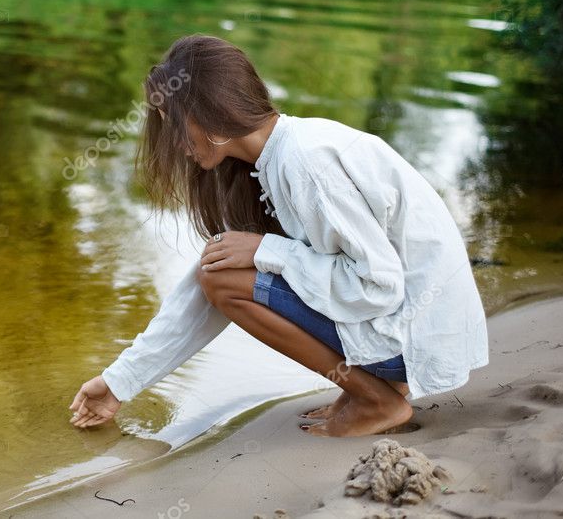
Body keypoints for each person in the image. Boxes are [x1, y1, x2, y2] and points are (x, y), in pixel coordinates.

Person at [68, 34, 489, 437]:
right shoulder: (265, 164)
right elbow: (204, 285)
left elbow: (377, 285)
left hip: (415, 339)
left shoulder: (306, 163)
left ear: (211, 113)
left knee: (225, 281)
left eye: (174, 125)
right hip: (403, 329)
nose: (175, 144)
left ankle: (376, 399)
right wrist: (119, 381)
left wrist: (268, 250)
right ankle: (371, 389)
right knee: (219, 276)